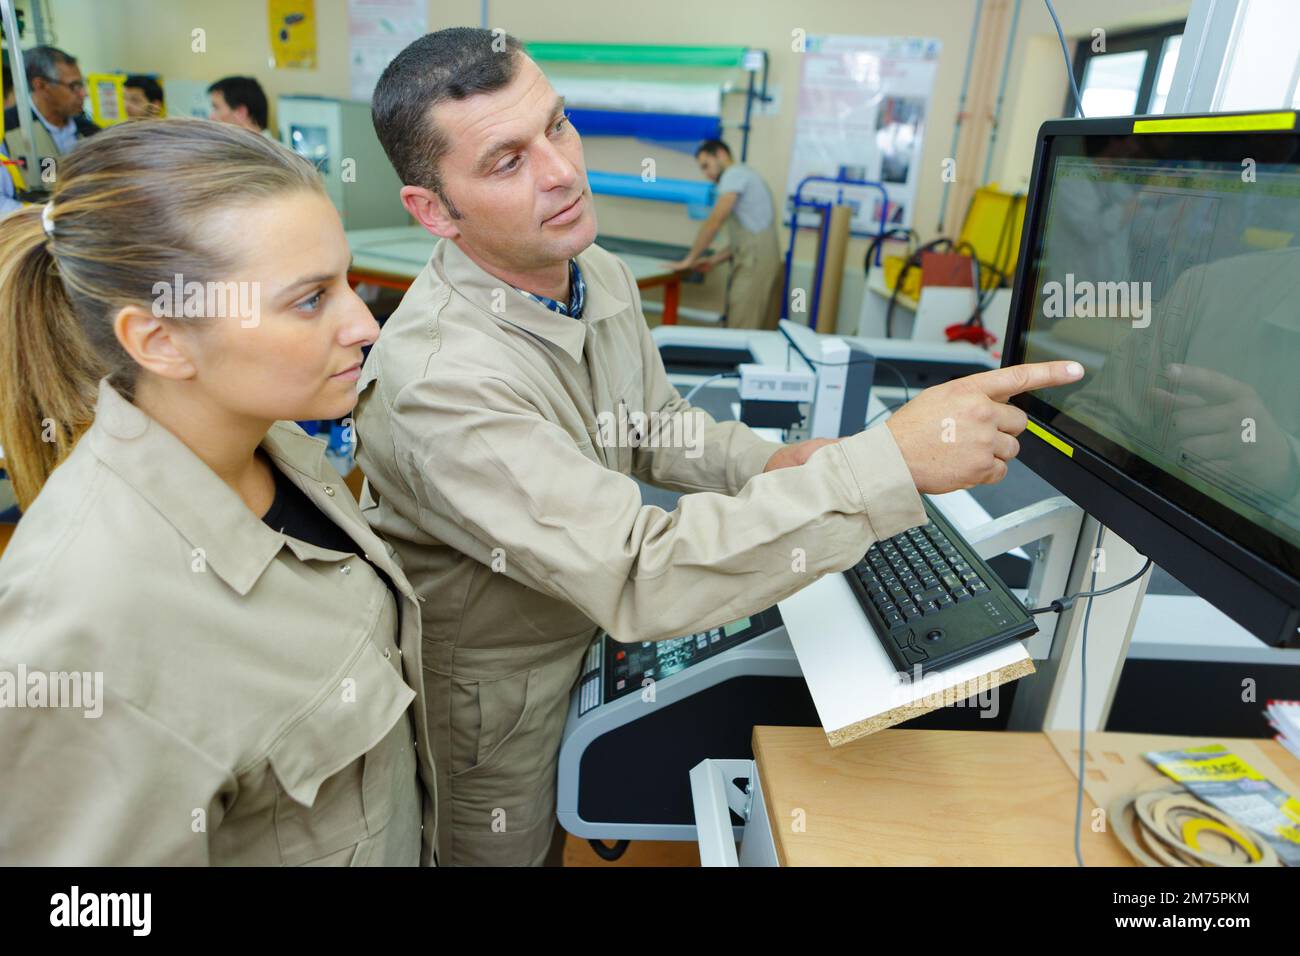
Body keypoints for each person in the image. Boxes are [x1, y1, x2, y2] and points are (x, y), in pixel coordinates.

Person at [357, 26, 1082, 866]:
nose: (560, 171)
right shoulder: (440, 382)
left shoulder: (597, 272)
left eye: (556, 126)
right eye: (505, 161)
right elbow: (638, 569)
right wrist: (885, 463)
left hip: (579, 625)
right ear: (434, 211)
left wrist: (766, 463)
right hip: (495, 694)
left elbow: (646, 424)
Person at [0, 118, 437, 865]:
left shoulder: (276, 447)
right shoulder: (86, 626)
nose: (365, 324)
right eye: (309, 300)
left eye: (347, 283)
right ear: (160, 340)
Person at [670, 138, 784, 329]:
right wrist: (713, 260)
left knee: (741, 328)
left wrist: (689, 259)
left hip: (755, 265)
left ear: (721, 154)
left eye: (707, 166)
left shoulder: (734, 174)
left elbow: (714, 222)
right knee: (757, 327)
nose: (707, 175)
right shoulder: (748, 176)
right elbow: (743, 242)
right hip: (761, 261)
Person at [2, 46, 99, 173]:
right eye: (74, 86)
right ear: (41, 85)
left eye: (82, 84)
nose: (84, 94)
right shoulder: (7, 129)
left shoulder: (90, 132)